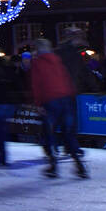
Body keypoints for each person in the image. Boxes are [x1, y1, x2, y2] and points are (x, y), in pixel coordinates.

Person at [29, 38, 88, 180]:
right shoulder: (57, 60)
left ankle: (53, 166)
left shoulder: (37, 63)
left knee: (49, 133)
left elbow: (36, 84)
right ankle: (80, 167)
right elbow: (66, 78)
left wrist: (38, 104)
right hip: (66, 99)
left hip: (50, 100)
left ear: (37, 49)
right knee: (68, 133)